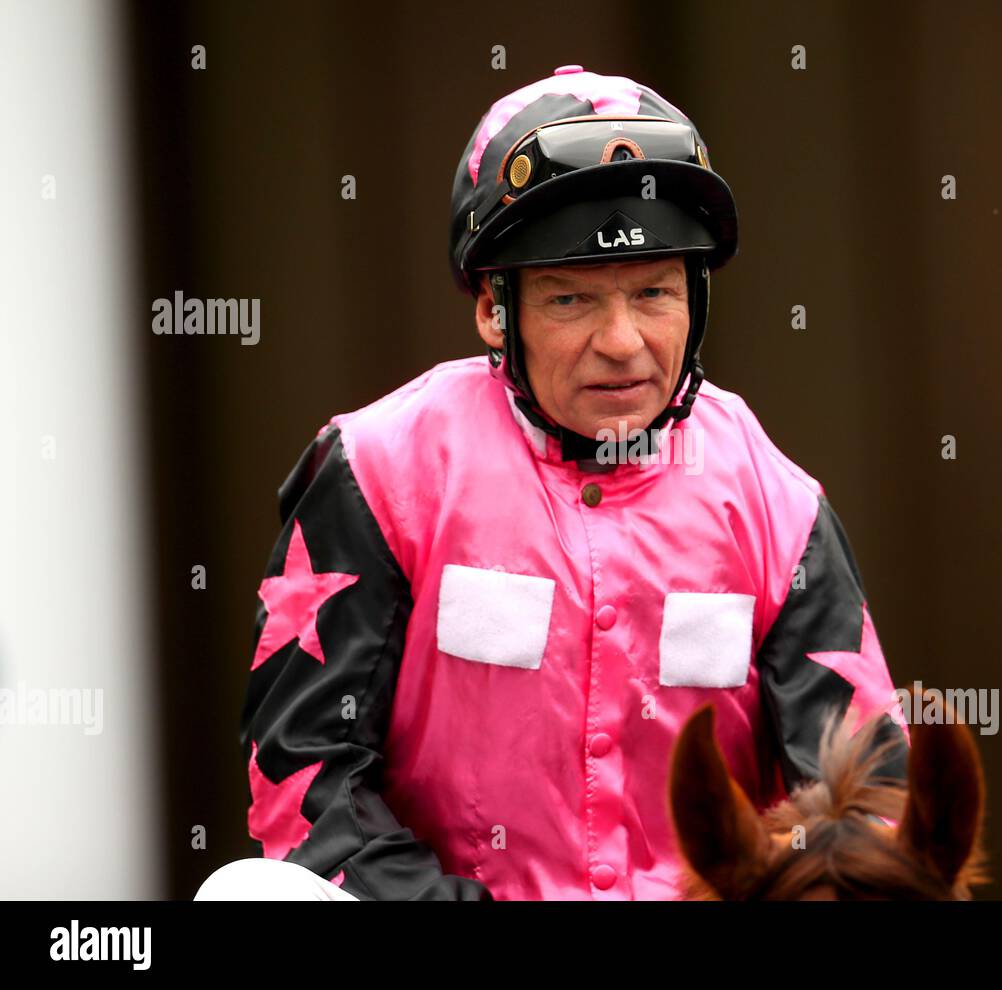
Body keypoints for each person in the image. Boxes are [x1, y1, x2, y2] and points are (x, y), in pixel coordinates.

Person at [194, 65, 909, 902]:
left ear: (697, 299)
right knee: (250, 895)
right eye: (572, 300)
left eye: (655, 293)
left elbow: (868, 806)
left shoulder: (776, 500)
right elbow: (303, 781)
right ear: (496, 310)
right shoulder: (376, 469)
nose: (623, 341)